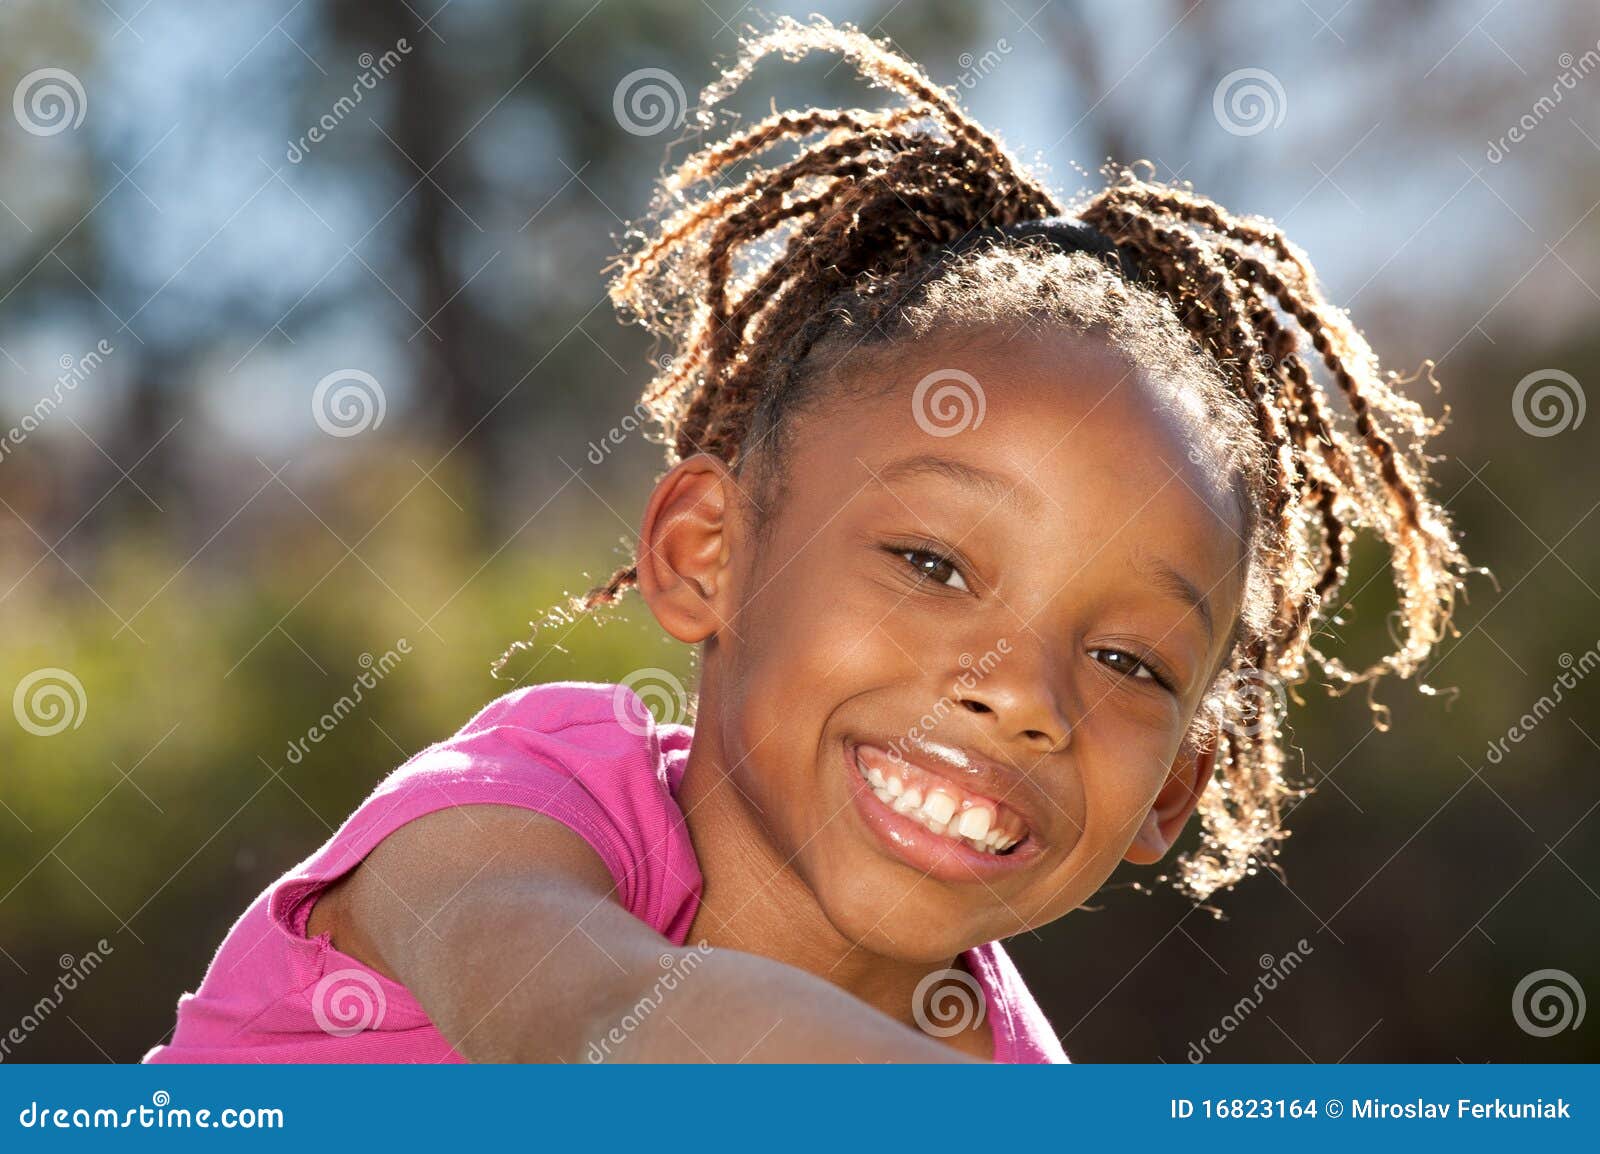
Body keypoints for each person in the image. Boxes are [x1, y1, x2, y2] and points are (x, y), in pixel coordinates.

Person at [147, 17, 1471, 1064]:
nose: (1020, 691)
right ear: (704, 551)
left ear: (1174, 790)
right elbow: (593, 1026)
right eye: (932, 562)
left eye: (1130, 658)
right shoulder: (521, 812)